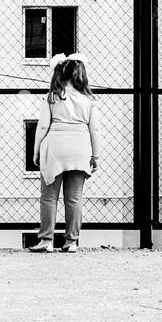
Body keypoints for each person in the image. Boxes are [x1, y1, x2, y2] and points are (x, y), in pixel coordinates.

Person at [30, 53, 100, 253]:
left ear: (59, 73)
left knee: (49, 197)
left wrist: (36, 151)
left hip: (55, 148)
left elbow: (43, 127)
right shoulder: (88, 100)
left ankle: (46, 240)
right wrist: (96, 156)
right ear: (80, 75)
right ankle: (71, 241)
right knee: (74, 198)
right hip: (79, 148)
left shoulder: (52, 97)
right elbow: (94, 130)